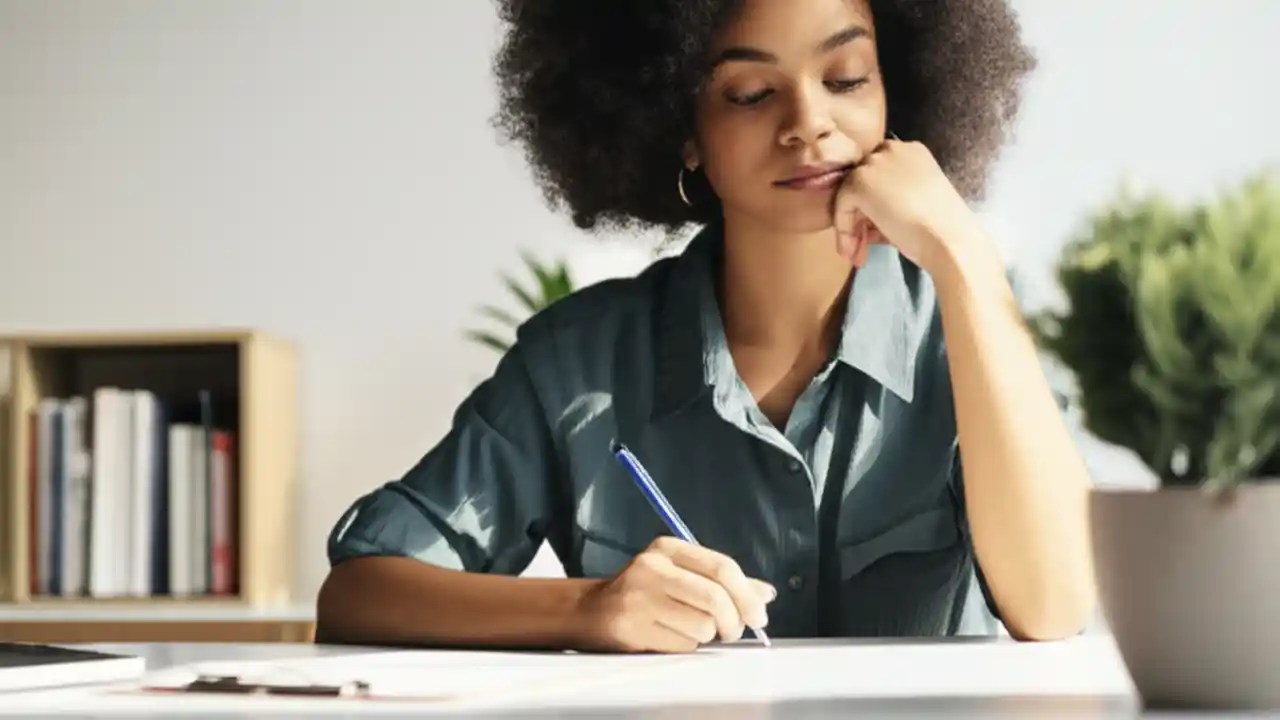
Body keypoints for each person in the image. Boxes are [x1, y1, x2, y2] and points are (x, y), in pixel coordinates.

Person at [316, 0, 1097, 653]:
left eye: (845, 78)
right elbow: (357, 591)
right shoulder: (578, 360)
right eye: (752, 93)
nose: (808, 122)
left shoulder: (972, 323)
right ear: (681, 126)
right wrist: (587, 610)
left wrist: (962, 254)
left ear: (898, 91)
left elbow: (1058, 607)